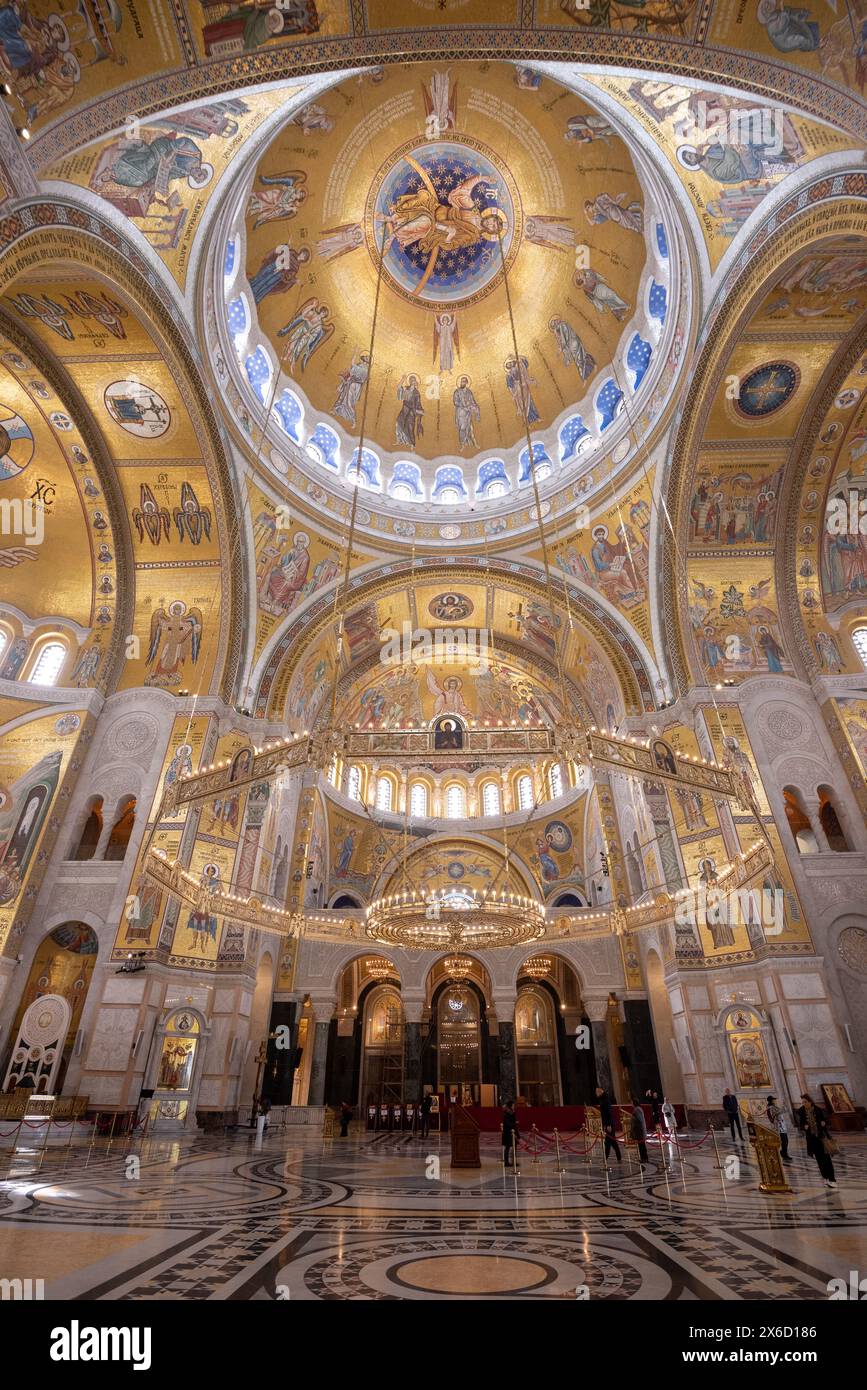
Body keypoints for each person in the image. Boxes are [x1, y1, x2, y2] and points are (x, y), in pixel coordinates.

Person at [797, 1092, 837, 1189]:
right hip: (812, 1139)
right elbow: (800, 1125)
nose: (804, 1104)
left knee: (827, 1159)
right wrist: (804, 1127)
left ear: (810, 1102)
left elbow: (826, 1120)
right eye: (803, 1102)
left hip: (822, 1137)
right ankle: (825, 1178)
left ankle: (832, 1179)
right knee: (819, 1159)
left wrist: (824, 1123)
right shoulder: (801, 1112)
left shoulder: (818, 1110)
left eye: (806, 1102)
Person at [595, 1086, 621, 1164]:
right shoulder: (602, 1099)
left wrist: (608, 1125)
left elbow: (609, 1113)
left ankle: (605, 1158)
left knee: (608, 1142)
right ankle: (618, 1156)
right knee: (613, 1141)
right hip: (607, 1124)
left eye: (597, 1091)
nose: (596, 1093)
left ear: (601, 1091)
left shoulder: (605, 1100)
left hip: (610, 1124)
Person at [766, 1095, 791, 1164]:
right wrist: (784, 1106)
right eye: (773, 1099)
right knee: (784, 1141)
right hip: (779, 1127)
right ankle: (784, 1154)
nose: (775, 1100)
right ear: (771, 1101)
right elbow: (779, 1112)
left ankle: (784, 1152)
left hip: (781, 1126)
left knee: (785, 1140)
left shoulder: (773, 1107)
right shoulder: (771, 1107)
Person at [630, 1099, 649, 1168]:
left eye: (631, 1103)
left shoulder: (637, 1109)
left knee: (642, 1145)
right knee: (641, 1145)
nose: (631, 1104)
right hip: (639, 1130)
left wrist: (633, 1122)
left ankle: (644, 1158)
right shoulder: (638, 1109)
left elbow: (640, 1120)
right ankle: (643, 1158)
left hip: (640, 1130)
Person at [502, 1100, 520, 1168]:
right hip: (508, 1133)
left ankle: (514, 1161)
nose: (514, 1106)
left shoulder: (512, 1113)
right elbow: (507, 1124)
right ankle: (506, 1162)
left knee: (514, 1147)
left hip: (513, 1133)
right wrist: (515, 1123)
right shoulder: (507, 1114)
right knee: (508, 1147)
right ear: (510, 1106)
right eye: (513, 1105)